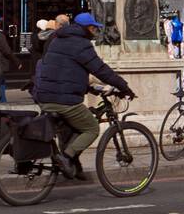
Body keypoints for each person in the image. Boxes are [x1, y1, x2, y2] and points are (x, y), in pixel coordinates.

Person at [32, 12, 134, 181]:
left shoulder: (58, 40)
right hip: (63, 100)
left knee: (73, 128)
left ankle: (74, 167)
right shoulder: (81, 44)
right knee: (92, 127)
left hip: (45, 95)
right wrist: (124, 87)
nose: (95, 31)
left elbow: (64, 71)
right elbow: (101, 70)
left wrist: (89, 88)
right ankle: (65, 157)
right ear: (85, 28)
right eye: (93, 27)